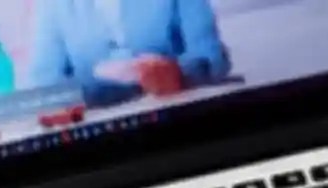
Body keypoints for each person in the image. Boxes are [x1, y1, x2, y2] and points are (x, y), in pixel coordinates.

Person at [28, 0, 232, 108]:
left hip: (177, 115)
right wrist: (93, 86)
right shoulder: (52, 4)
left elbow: (210, 55)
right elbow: (45, 87)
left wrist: (179, 74)